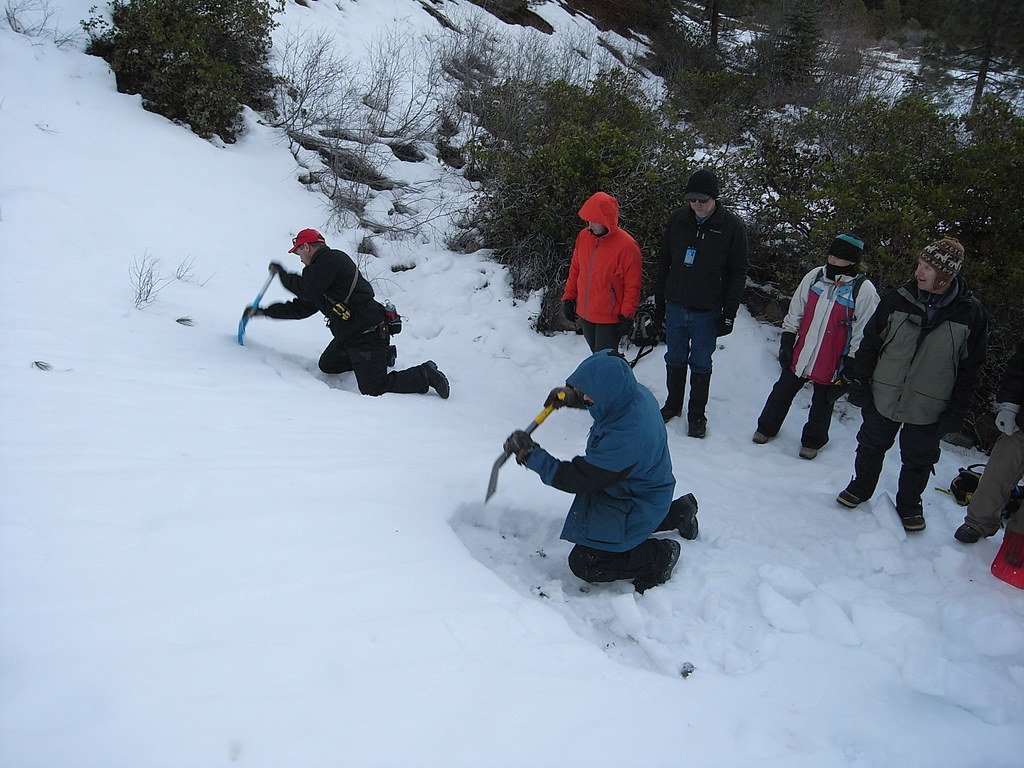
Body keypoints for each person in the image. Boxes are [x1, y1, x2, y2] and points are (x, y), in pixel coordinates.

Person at [503, 350, 699, 594]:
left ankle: (659, 556)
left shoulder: (627, 438)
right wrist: (573, 397)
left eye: (588, 397)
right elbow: (606, 401)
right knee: (612, 518)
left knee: (586, 563)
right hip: (643, 486)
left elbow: (578, 478)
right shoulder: (633, 392)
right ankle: (680, 512)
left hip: (632, 498)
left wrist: (531, 455)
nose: (586, 398)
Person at [836, 236, 988, 532]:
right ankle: (861, 487)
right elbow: (870, 342)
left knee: (919, 458)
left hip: (930, 403)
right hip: (884, 392)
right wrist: (860, 381)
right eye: (920, 264)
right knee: (870, 445)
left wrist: (956, 411)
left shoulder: (970, 314)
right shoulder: (898, 297)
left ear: (945, 276)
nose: (919, 272)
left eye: (928, 268)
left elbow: (972, 369)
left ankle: (909, 504)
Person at [243, 228, 450, 398]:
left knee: (373, 388)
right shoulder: (319, 276)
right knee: (327, 364)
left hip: (368, 332)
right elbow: (302, 308)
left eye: (298, 253)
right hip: (351, 336)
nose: (300, 259)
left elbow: (307, 289)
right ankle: (383, 356)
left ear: (306, 247)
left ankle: (425, 374)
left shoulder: (331, 261)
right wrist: (263, 312)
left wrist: (282, 275)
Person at [752, 234, 880, 459]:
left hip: (833, 359)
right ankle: (766, 428)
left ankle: (813, 441)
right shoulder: (816, 276)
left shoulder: (863, 290)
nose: (831, 259)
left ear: (851, 261)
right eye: (831, 254)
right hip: (803, 352)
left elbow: (865, 330)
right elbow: (797, 307)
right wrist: (788, 337)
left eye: (838, 256)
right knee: (782, 390)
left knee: (823, 402)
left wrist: (852, 362)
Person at [653, 169, 748, 437]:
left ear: (714, 198)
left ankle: (696, 415)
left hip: (707, 309)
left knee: (701, 362)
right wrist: (660, 301)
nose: (697, 205)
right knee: (674, 357)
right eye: (692, 200)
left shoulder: (731, 227)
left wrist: (728, 313)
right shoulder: (678, 220)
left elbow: (738, 273)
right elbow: (665, 262)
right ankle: (673, 405)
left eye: (702, 200)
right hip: (676, 304)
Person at [955, 339, 1024, 543]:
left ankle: (1018, 538)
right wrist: (1010, 406)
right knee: (999, 470)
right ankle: (978, 522)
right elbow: (1018, 367)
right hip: (1022, 426)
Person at [560, 191, 642, 353]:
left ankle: (617, 377)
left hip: (609, 317)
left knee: (605, 360)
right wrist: (568, 297)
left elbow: (633, 285)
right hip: (586, 313)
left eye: (594, 221)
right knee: (598, 357)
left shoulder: (627, 246)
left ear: (606, 220)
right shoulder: (584, 237)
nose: (590, 225)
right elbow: (576, 269)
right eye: (588, 220)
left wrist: (626, 315)